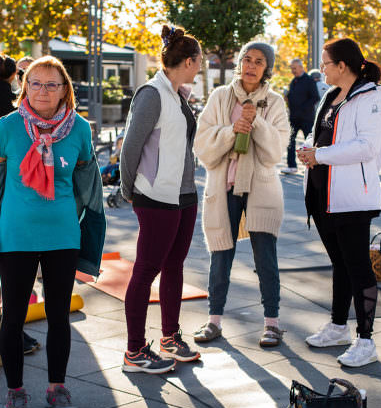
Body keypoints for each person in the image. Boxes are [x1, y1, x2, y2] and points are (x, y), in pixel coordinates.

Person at [0, 56, 105, 408]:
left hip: (62, 235)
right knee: (14, 316)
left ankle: (57, 388)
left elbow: (86, 179)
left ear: (64, 90)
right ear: (25, 87)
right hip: (16, 235)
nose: (43, 91)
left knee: (58, 315)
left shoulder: (79, 129)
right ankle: (15, 393)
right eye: (35, 83)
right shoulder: (8, 127)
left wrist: (87, 223)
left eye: (52, 84)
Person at [299, 38, 381, 368]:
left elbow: (367, 146)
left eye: (325, 63)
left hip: (352, 198)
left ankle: (366, 340)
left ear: (342, 65)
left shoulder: (371, 99)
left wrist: (320, 155)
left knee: (358, 267)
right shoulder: (330, 95)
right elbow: (322, 136)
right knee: (339, 264)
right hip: (322, 195)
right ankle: (338, 327)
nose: (321, 68)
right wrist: (308, 151)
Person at [193, 41, 290, 347]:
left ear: (267, 69)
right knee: (221, 254)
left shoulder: (274, 102)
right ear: (240, 63)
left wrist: (255, 122)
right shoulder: (220, 96)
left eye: (259, 61)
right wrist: (232, 130)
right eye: (247, 59)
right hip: (225, 186)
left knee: (266, 257)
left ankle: (272, 324)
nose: (251, 66)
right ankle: (214, 321)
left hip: (262, 188)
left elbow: (276, 152)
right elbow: (201, 143)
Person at [119, 25, 201, 374]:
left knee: (174, 265)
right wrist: (130, 191)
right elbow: (130, 147)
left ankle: (169, 337)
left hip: (183, 194)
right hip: (156, 197)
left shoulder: (177, 95)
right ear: (189, 61)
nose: (200, 67)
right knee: (146, 271)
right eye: (200, 61)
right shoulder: (152, 94)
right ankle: (135, 351)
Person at [0, 53, 41, 356]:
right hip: (15, 193)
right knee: (16, 268)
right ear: (16, 76)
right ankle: (13, 330)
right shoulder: (17, 111)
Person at [282, 58, 319, 174]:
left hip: (306, 118)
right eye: (291, 68)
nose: (292, 71)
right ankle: (292, 166)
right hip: (293, 118)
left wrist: (302, 108)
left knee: (310, 143)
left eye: (294, 68)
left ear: (301, 67)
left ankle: (311, 165)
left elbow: (315, 97)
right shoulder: (294, 81)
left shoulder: (309, 81)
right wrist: (287, 97)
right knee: (290, 142)